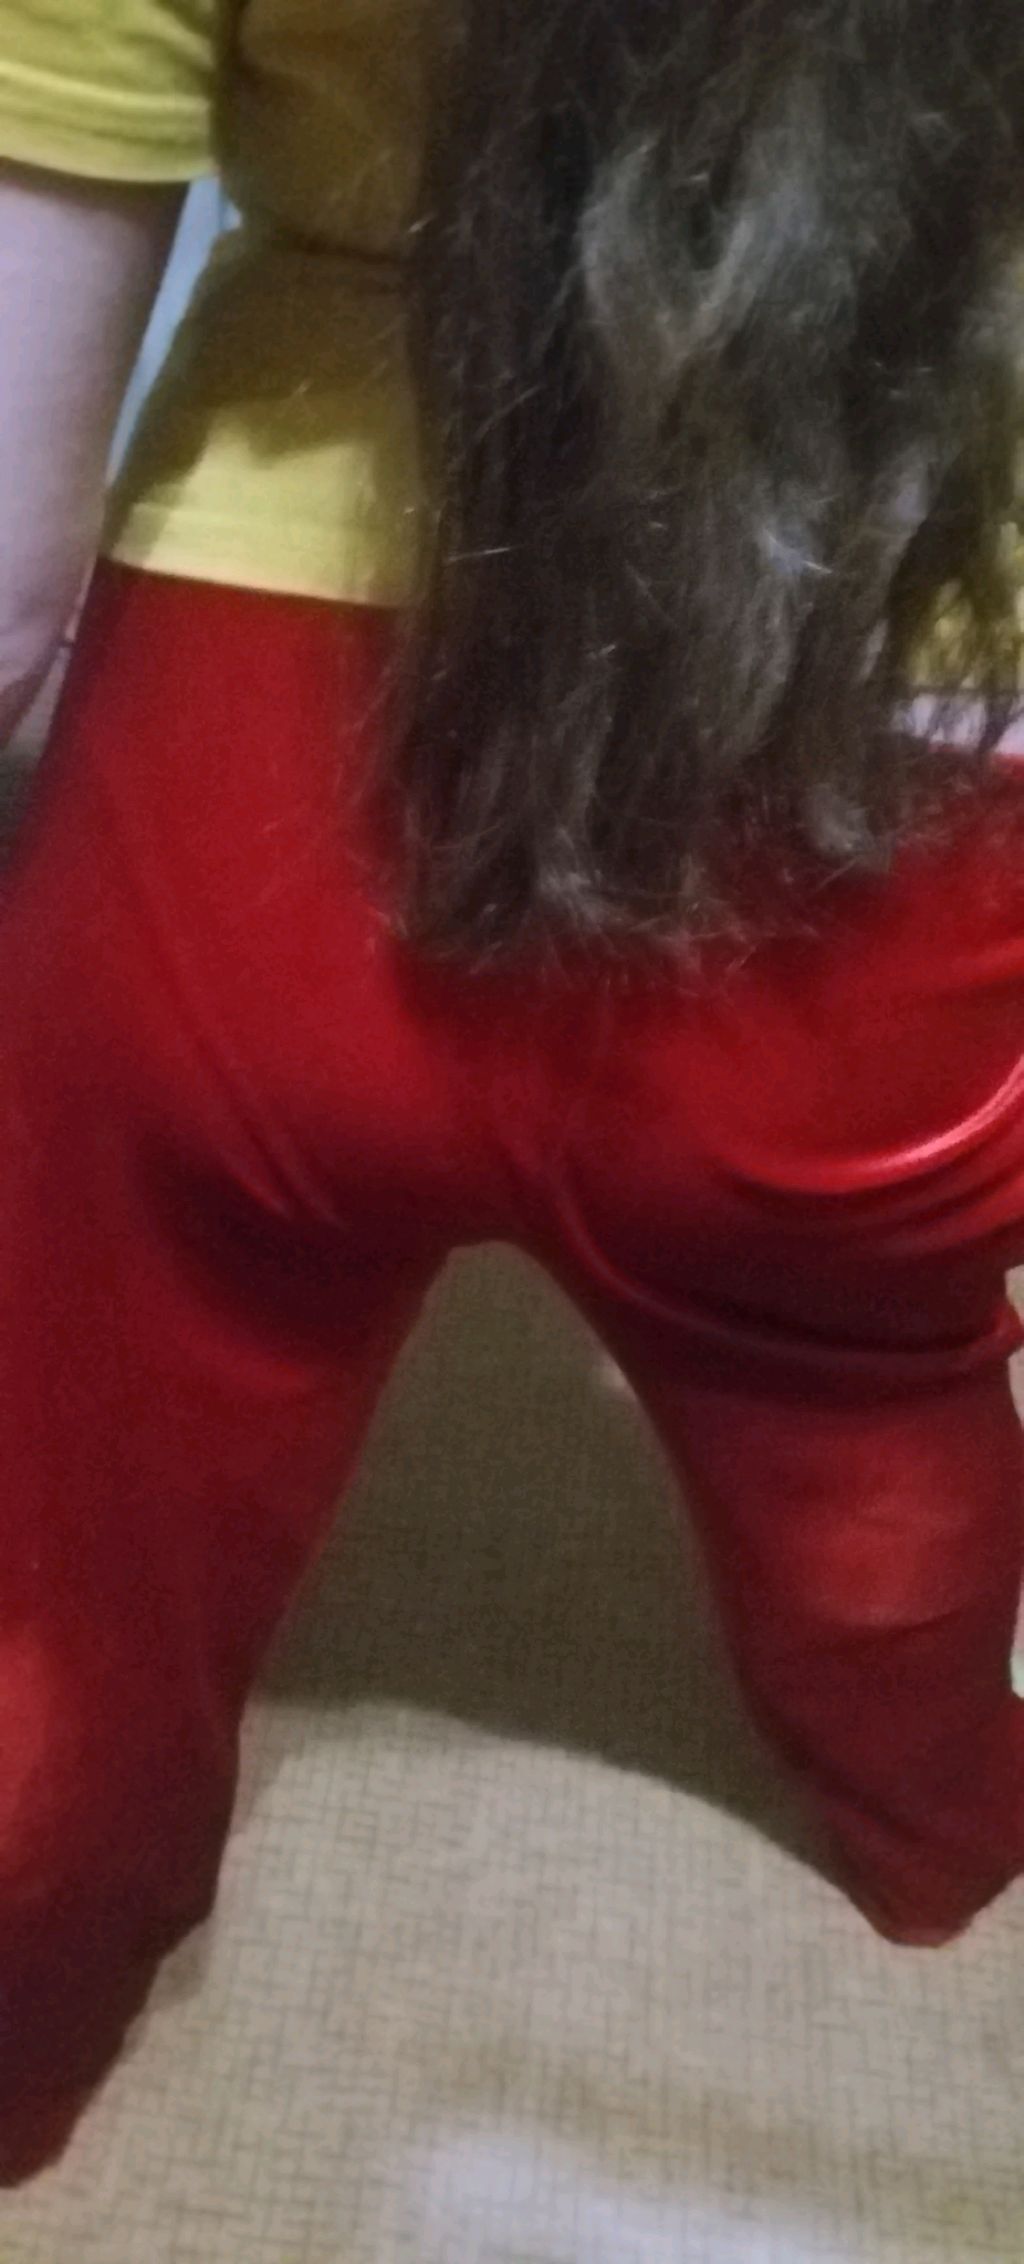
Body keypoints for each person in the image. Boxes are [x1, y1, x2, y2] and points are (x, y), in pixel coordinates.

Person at [2, 0, 1024, 2185]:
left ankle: (15, 2029)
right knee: (862, 1406)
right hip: (895, 755)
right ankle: (936, 1819)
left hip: (248, 787)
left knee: (73, 1539)